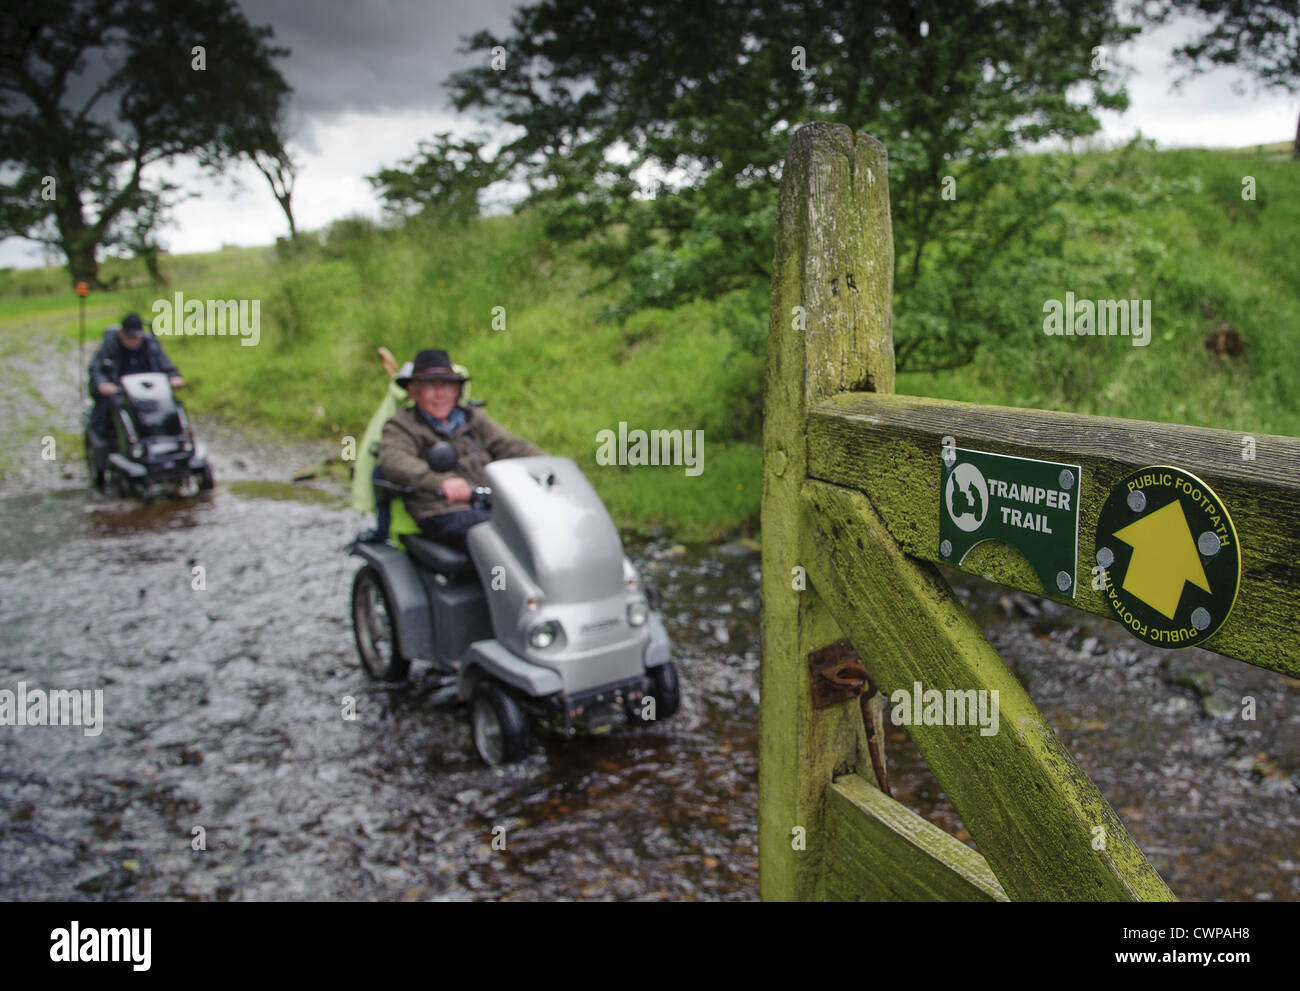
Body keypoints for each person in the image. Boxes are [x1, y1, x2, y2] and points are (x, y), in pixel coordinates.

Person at [378, 348, 544, 551]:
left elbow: (511, 446)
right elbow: (394, 460)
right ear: (413, 391)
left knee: (543, 525)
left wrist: (550, 466)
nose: (440, 394)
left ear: (457, 390)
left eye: (447, 386)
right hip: (441, 512)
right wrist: (441, 482)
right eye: (430, 387)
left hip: (491, 503)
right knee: (504, 538)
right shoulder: (402, 425)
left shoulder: (474, 418)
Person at [86, 313, 183, 481]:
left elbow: (166, 365)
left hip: (148, 394)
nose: (133, 341)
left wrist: (174, 377)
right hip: (120, 395)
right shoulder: (110, 346)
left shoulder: (150, 345)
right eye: (129, 337)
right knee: (106, 409)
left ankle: (175, 441)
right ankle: (107, 446)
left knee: (172, 405)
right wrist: (103, 384)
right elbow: (97, 370)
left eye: (136, 337)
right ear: (121, 334)